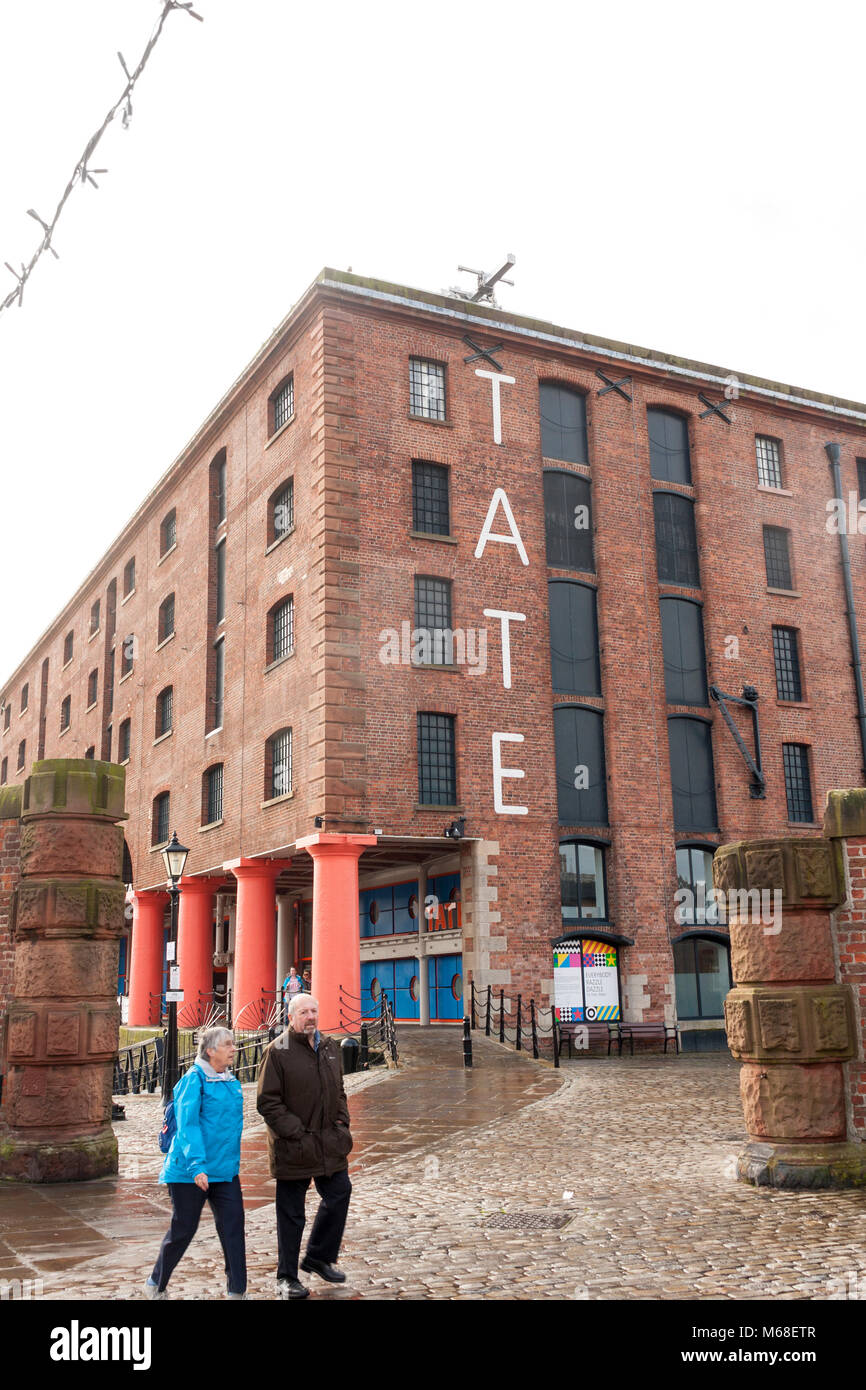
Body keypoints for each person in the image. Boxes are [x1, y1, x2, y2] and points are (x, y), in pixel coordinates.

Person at [256, 994, 353, 1299]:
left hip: (328, 1142)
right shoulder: (277, 1051)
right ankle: (286, 1277)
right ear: (291, 1017)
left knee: (339, 1193)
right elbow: (267, 1102)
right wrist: (295, 1132)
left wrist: (342, 1123)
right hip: (294, 1146)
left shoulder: (329, 1047)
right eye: (304, 1012)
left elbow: (339, 1092)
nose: (311, 1016)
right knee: (291, 1214)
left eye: (314, 1010)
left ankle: (319, 1257)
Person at [145, 1026, 246, 1300]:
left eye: (233, 1044)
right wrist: (197, 1166)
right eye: (227, 1045)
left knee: (234, 1227)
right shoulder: (194, 1079)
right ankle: (157, 1281)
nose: (233, 1049)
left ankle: (237, 1291)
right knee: (184, 1229)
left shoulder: (228, 1079)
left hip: (224, 1170)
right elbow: (188, 1126)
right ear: (210, 1050)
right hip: (189, 1171)